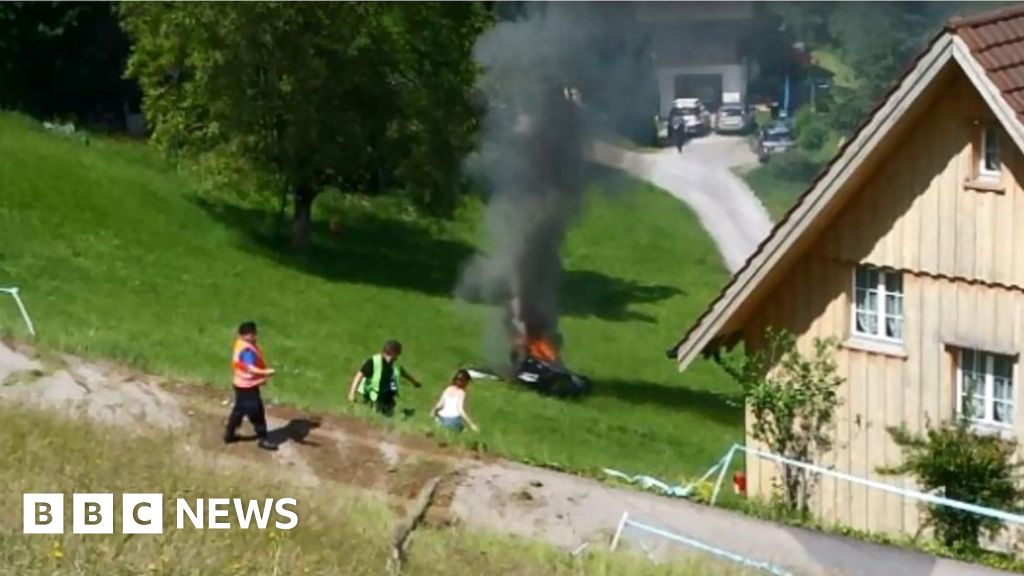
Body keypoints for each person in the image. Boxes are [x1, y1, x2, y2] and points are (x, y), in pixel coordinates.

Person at [224, 321, 278, 451]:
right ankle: (263, 438)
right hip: (248, 386)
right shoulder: (247, 349)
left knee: (239, 410)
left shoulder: (240, 344)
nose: (255, 336)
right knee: (257, 412)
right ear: (247, 335)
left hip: (240, 384)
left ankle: (229, 434)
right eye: (253, 334)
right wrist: (266, 373)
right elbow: (250, 368)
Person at [347, 339, 422, 416]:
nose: (398, 357)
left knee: (389, 415)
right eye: (398, 354)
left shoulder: (394, 364)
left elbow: (403, 373)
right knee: (377, 415)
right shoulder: (374, 361)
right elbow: (359, 375)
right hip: (374, 396)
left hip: (387, 396)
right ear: (394, 353)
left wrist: (414, 382)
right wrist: (352, 393)